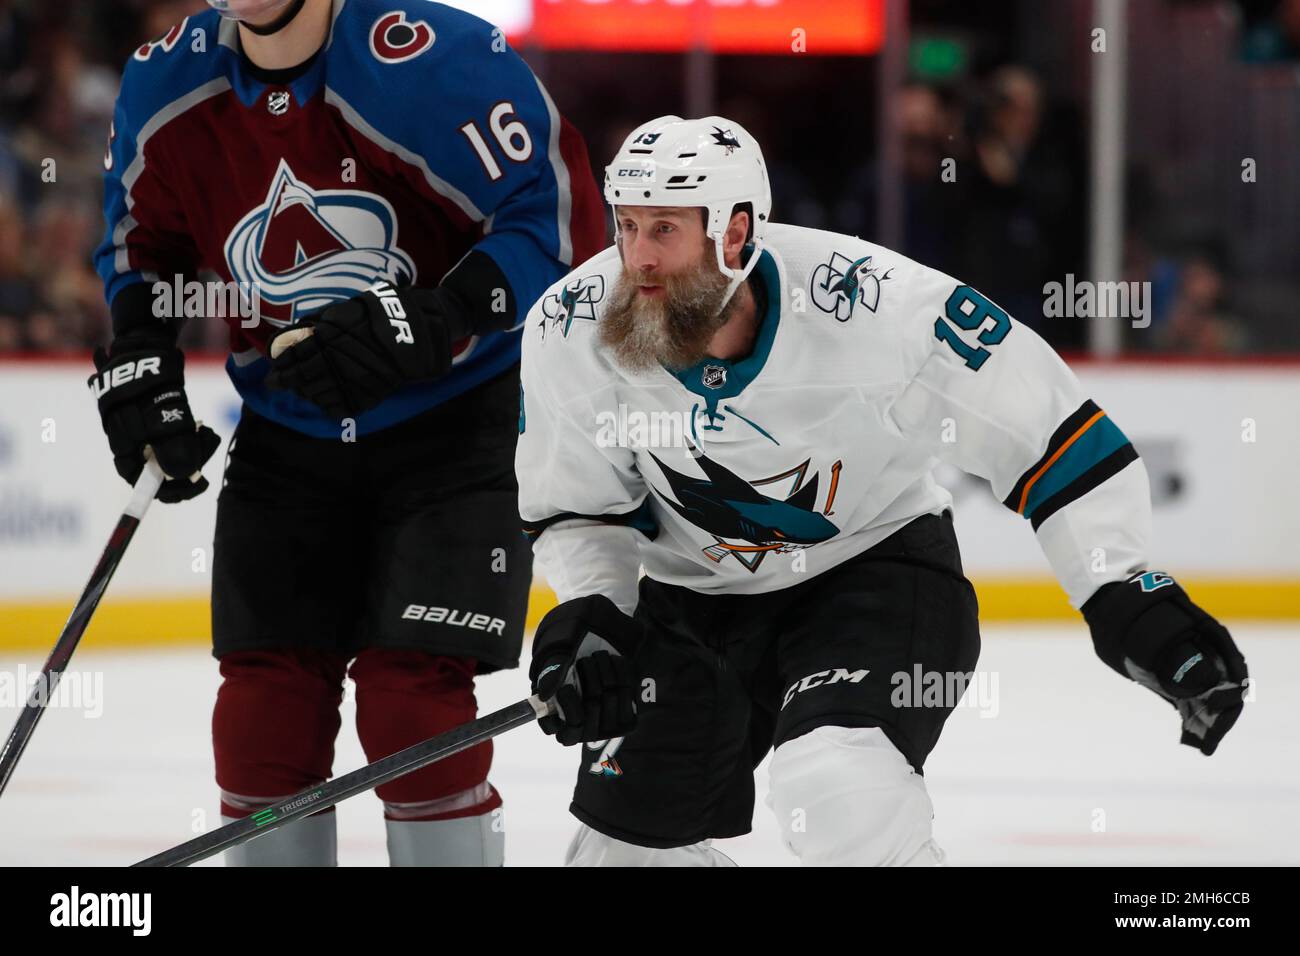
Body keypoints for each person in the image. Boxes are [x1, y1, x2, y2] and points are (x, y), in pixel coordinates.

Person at [515, 115, 1249, 866]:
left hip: (871, 579)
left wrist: (1124, 591)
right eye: (626, 225)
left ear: (734, 233)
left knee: (838, 789)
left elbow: (1048, 433)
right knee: (624, 857)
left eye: (663, 229)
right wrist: (595, 612)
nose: (636, 257)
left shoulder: (876, 306)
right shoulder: (568, 329)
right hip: (686, 601)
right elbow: (576, 508)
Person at [88, 0, 603, 865]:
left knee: (412, 709)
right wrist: (141, 350)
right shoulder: (167, 81)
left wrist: (439, 317)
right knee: (261, 719)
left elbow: (555, 214)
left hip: (457, 421)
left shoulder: (431, 59)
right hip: (290, 429)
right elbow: (143, 240)